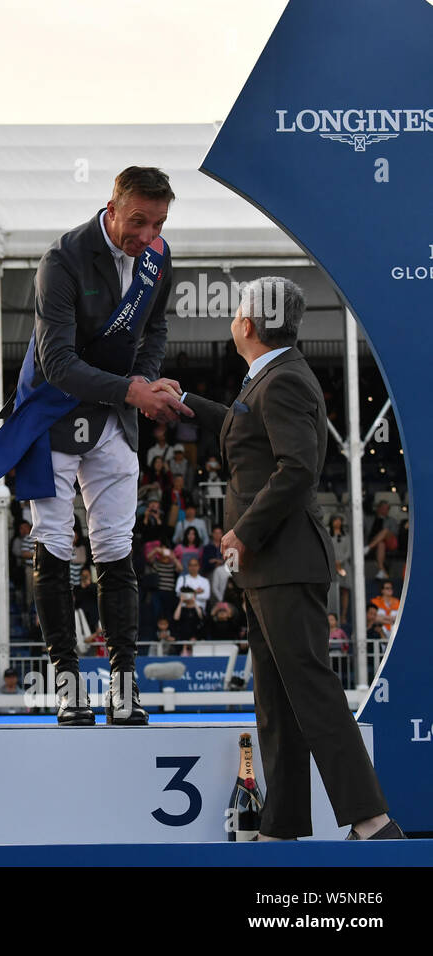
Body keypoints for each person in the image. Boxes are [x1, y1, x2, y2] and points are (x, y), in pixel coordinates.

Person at [181, 276, 401, 840]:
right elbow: (243, 427)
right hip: (269, 568)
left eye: (235, 312)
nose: (232, 319)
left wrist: (244, 533)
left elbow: (296, 469)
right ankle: (282, 826)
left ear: (248, 325)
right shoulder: (273, 378)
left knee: (311, 692)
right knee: (277, 701)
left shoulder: (282, 382)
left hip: (282, 561)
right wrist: (183, 403)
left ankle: (373, 822)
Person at [0, 167, 184, 726]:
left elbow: (156, 329)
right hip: (52, 411)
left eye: (158, 223)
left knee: (116, 547)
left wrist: (148, 378)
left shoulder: (158, 257)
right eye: (138, 221)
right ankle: (66, 685)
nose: (147, 235)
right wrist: (134, 390)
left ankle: (123, 687)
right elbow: (57, 363)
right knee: (54, 545)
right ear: (111, 207)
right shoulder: (62, 260)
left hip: (114, 416)